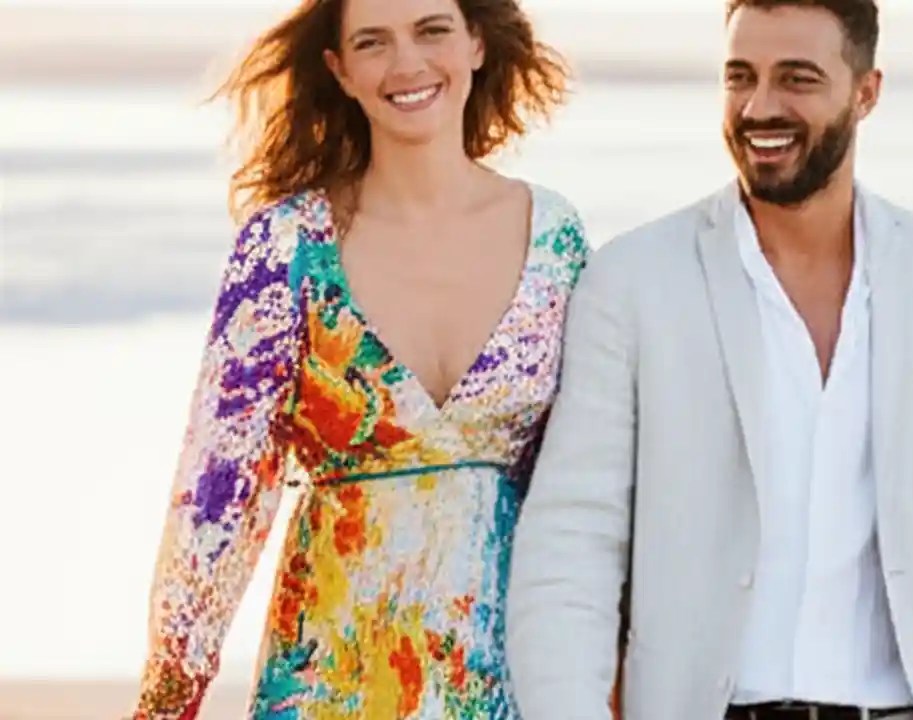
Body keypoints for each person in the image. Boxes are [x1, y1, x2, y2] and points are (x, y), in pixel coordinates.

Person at [505, 1, 913, 718]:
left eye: (797, 78)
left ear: (866, 92)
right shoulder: (634, 281)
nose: (760, 107)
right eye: (741, 77)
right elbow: (571, 546)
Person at [131, 0, 588, 717]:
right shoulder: (286, 247)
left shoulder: (554, 237)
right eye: (373, 42)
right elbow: (217, 502)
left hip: (507, 682)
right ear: (339, 70)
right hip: (328, 683)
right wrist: (166, 702)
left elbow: (589, 485)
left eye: (432, 30)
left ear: (476, 42)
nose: (407, 63)